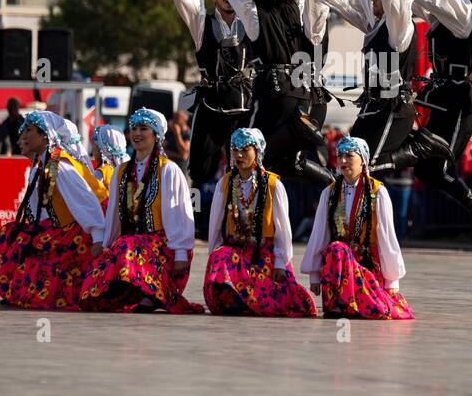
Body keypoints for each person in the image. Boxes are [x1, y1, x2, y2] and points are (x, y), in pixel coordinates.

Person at [356, 0, 472, 249]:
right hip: (439, 94)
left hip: (460, 99)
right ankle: (428, 149)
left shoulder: (462, 11)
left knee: (437, 169)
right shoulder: (438, 18)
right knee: (429, 172)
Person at [217, 0, 334, 189]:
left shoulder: (254, 11)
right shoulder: (298, 3)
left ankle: (296, 129)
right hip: (302, 92)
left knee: (241, 146)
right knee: (284, 163)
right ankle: (333, 183)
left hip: (273, 91)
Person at [312, 0, 420, 168]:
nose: (372, 0)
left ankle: (419, 148)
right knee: (349, 158)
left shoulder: (399, 28)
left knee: (367, 165)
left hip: (394, 109)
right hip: (373, 106)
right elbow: (348, 4)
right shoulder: (376, 25)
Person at [79, 108, 201, 314]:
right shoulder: (122, 171)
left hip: (163, 244)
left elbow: (178, 214)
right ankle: (130, 292)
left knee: (128, 245)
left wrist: (180, 253)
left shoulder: (168, 170)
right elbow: (114, 216)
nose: (137, 133)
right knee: (94, 288)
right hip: (130, 244)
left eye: (144, 129)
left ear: (156, 135)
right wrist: (106, 244)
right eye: (134, 128)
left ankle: (150, 293)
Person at [0, 111, 106, 309]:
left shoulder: (59, 165)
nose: (23, 136)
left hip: (71, 233)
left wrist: (98, 237)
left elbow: (85, 200)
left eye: (29, 131)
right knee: (12, 233)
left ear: (45, 135)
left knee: (21, 240)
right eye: (23, 131)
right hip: (55, 228)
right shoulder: (45, 162)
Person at [203, 127, 316, 317]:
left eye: (245, 150)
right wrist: (213, 256)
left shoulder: (273, 185)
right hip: (237, 250)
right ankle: (236, 300)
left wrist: (281, 262)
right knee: (220, 256)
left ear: (257, 152)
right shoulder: (225, 183)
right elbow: (215, 224)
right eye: (235, 150)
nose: (239, 155)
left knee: (276, 303)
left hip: (265, 253)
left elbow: (282, 228)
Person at [302, 136, 412, 320]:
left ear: (363, 160)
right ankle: (338, 302)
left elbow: (387, 238)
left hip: (366, 264)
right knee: (337, 248)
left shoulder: (378, 192)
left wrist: (392, 280)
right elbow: (319, 235)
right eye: (340, 156)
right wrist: (314, 275)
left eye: (349, 156)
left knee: (378, 308)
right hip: (337, 263)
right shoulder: (329, 192)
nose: (343, 161)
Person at [173, 0, 255, 186]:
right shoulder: (202, 23)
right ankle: (197, 221)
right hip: (211, 104)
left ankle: (243, 219)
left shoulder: (252, 21)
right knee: (198, 170)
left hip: (245, 106)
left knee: (246, 171)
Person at [90, 124, 128, 194]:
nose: (92, 148)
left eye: (94, 144)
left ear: (101, 148)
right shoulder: (129, 168)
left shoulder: (101, 174)